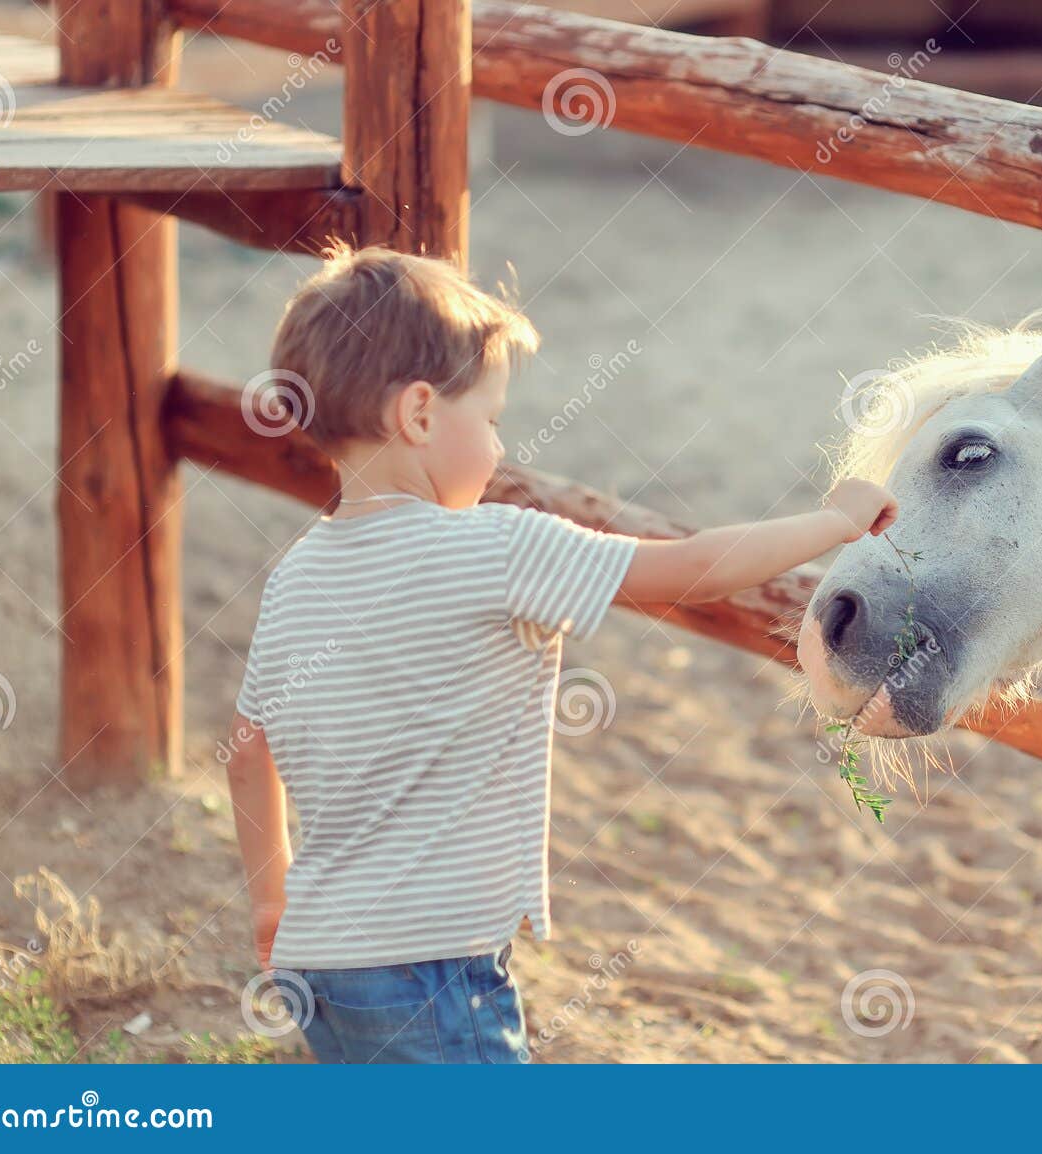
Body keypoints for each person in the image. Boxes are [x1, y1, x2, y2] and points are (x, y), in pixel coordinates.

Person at [224, 243, 897, 1063]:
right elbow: (687, 569)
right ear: (422, 415)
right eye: (493, 419)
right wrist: (832, 523)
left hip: (319, 958)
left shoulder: (298, 572)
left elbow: (247, 749)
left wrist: (272, 900)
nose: (502, 450)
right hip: (428, 965)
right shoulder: (491, 546)